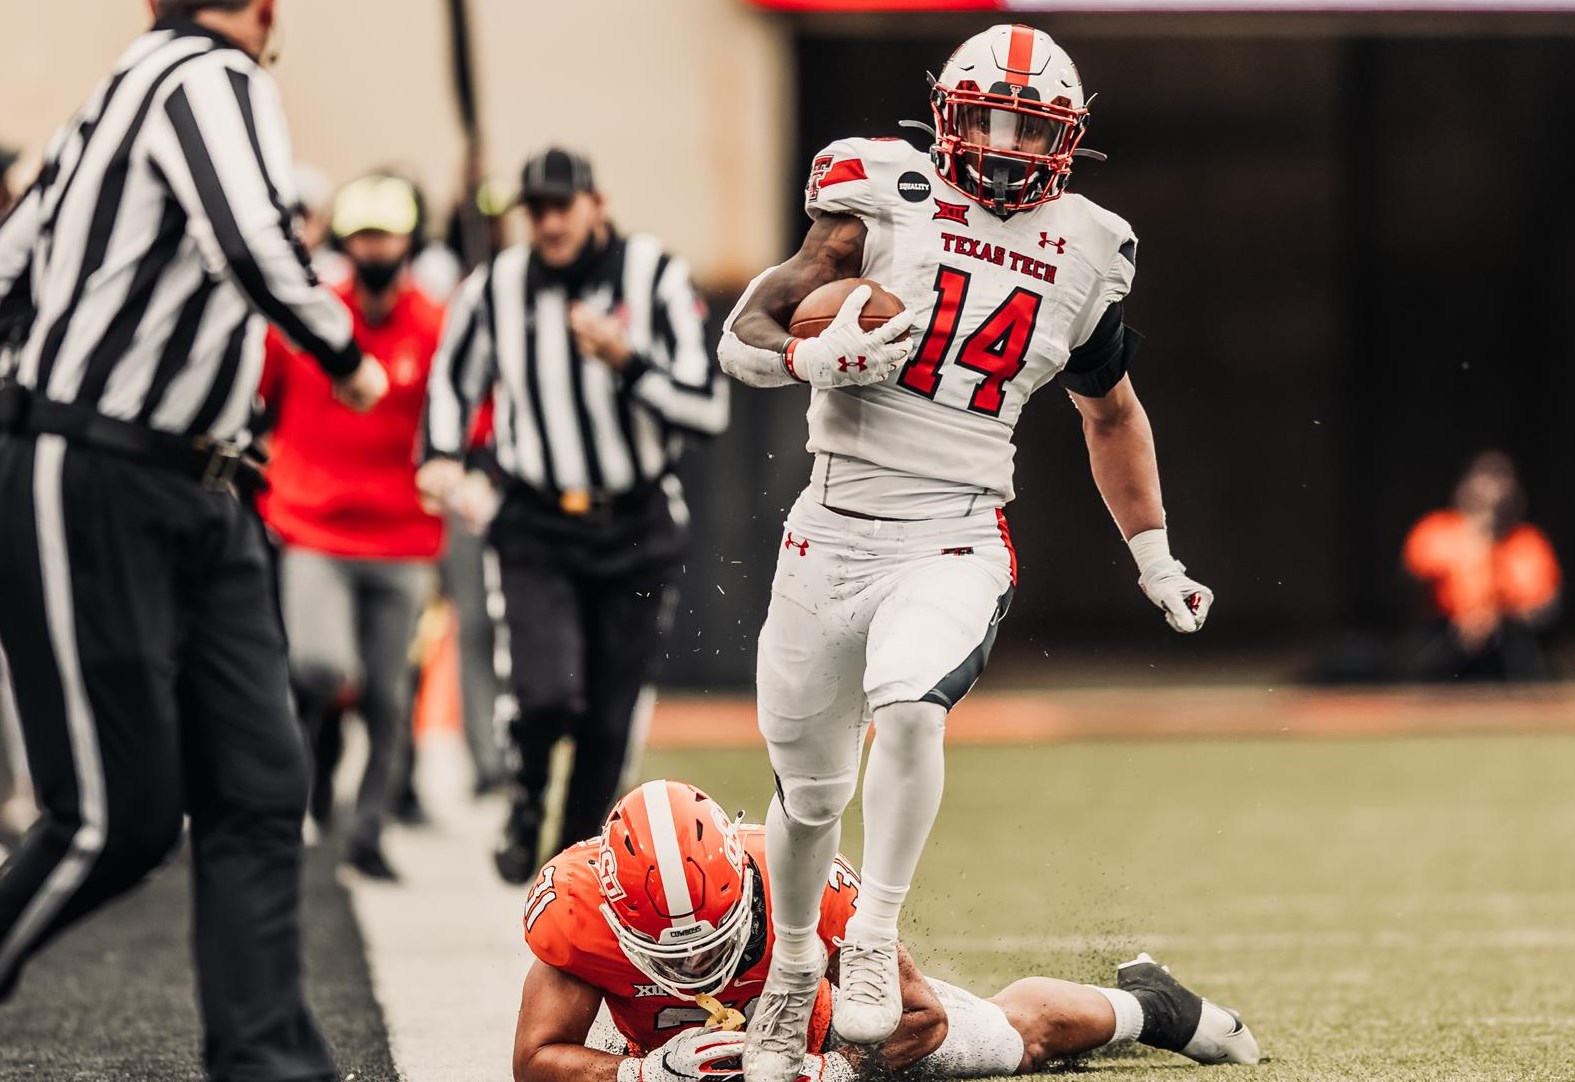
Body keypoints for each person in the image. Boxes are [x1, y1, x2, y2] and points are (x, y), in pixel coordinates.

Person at [716, 25, 1215, 1077]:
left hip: (955, 526)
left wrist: (1156, 556)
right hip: (831, 523)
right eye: (987, 119)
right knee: (808, 795)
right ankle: (793, 970)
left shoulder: (1088, 245)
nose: (1004, 145)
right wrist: (812, 355)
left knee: (909, 703)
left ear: (1066, 140)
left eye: (1027, 128)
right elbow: (746, 331)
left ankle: (870, 936)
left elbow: (1111, 413)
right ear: (946, 114)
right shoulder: (881, 190)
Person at [0, 1, 388, 1078]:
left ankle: (267, 1061)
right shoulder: (206, 74)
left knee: (261, 785)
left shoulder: (114, 97)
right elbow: (251, 242)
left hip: (207, 488)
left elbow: (9, 263)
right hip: (99, 466)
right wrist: (347, 355)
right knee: (112, 818)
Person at [419, 147, 728, 885]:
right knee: (547, 693)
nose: (550, 222)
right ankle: (526, 796)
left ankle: (570, 870)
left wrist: (627, 362)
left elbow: (707, 408)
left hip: (636, 520)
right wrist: (441, 454)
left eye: (562, 206)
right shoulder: (497, 285)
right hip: (537, 518)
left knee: (608, 722)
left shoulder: (654, 275)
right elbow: (452, 380)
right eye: (537, 210)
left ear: (597, 203)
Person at [512, 779, 1259, 1082]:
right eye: (673, 954)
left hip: (830, 1032)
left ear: (747, 888)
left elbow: (923, 1019)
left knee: (1014, 1041)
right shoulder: (577, 914)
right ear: (614, 915)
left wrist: (832, 1070)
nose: (697, 967)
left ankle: (1151, 1005)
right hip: (664, 1057)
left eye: (712, 941)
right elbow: (535, 1060)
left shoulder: (804, 878)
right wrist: (642, 1075)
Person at [258, 173, 447, 880]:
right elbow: (262, 396)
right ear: (346, 240)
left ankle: (366, 832)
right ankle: (303, 777)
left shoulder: (434, 324)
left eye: (385, 236)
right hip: (314, 525)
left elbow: (465, 409)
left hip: (403, 537)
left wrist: (457, 464)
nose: (374, 249)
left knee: (388, 698)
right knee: (317, 665)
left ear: (407, 242)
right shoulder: (311, 318)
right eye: (363, 236)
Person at [1402, 451, 1561, 682]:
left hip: (1504, 640)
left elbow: (1544, 606)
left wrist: (1495, 616)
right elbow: (1413, 580)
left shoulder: (1527, 541)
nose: (1492, 495)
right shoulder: (1435, 531)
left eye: (1500, 484)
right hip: (1446, 636)